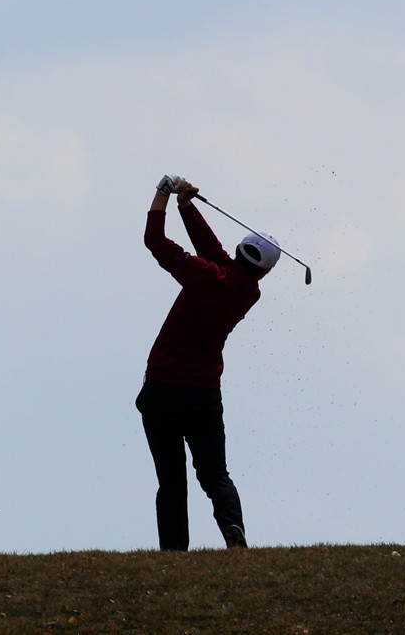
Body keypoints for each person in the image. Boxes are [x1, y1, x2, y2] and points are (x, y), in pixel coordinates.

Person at [137, 174, 281, 551]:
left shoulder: (206, 275)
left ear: (238, 250)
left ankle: (173, 553)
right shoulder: (247, 292)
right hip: (203, 396)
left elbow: (155, 241)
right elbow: (214, 255)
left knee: (171, 480)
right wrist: (187, 208)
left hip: (162, 390)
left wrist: (163, 193)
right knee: (216, 474)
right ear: (265, 272)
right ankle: (233, 529)